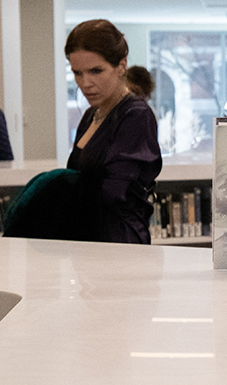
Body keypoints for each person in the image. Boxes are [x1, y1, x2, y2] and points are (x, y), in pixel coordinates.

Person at [66, 19, 162, 244]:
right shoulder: (92, 115)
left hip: (119, 240)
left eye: (96, 71)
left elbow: (112, 192)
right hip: (89, 238)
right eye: (77, 73)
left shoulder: (136, 115)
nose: (85, 83)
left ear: (121, 65)